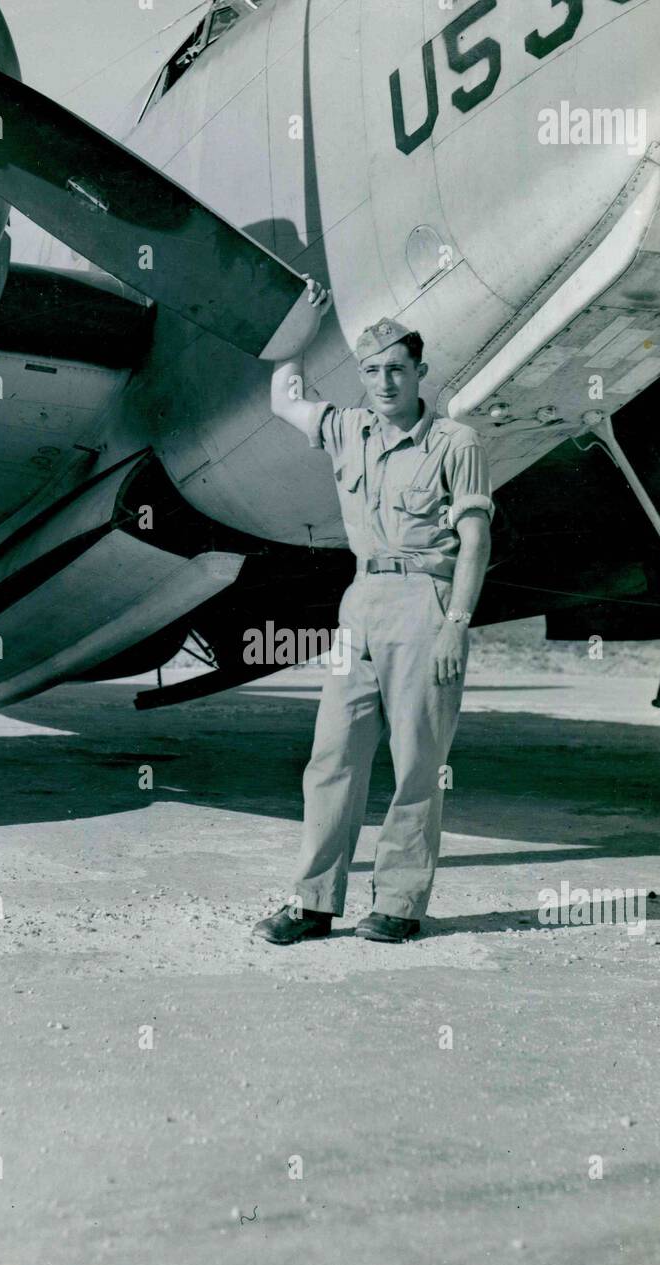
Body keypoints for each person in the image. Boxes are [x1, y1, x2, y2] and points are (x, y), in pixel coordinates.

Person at [254, 279, 494, 944]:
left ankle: (398, 902)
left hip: (426, 601)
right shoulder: (345, 430)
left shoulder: (455, 442)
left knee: (417, 761)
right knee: (330, 755)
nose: (384, 382)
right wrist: (297, 329)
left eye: (395, 369)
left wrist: (456, 623)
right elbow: (284, 396)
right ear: (359, 377)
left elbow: (474, 540)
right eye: (371, 371)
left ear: (418, 372)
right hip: (359, 602)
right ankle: (312, 903)